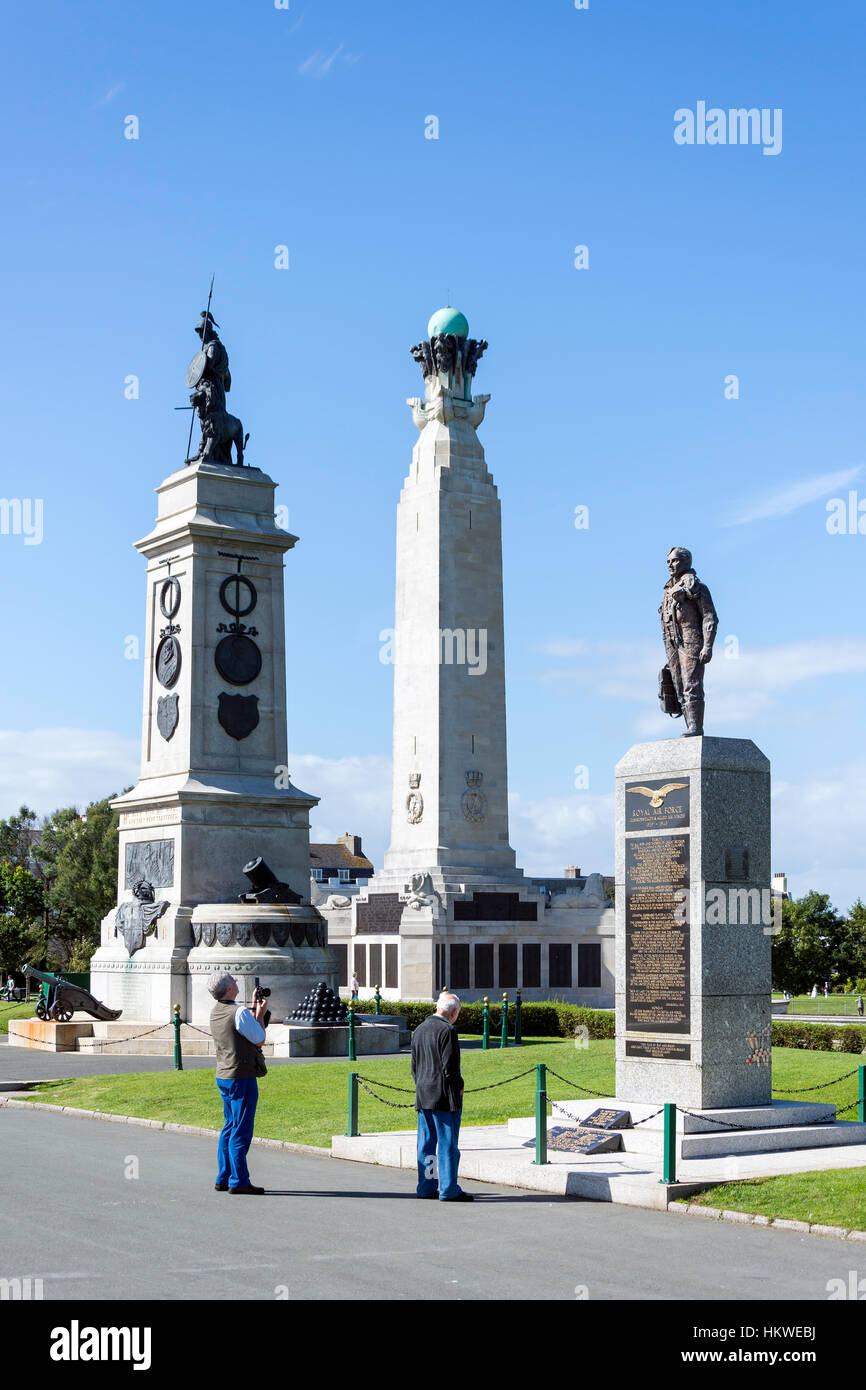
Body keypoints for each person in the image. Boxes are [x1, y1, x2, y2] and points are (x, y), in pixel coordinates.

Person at [208, 971, 269, 1195]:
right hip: (241, 1076)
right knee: (240, 1130)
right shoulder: (239, 1012)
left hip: (223, 1074)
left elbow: (242, 1030)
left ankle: (223, 1176)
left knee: (229, 1126)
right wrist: (260, 1014)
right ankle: (239, 1179)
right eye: (232, 980)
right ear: (229, 989)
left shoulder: (216, 1011)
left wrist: (252, 1007)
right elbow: (259, 1037)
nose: (236, 981)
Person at [411, 992, 472, 1202]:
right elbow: (451, 1067)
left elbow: (414, 1067)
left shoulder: (419, 1029)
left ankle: (426, 1187)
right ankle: (448, 1189)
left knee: (426, 1143)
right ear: (453, 1012)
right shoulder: (447, 1030)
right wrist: (460, 1087)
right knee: (447, 1145)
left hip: (423, 1094)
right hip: (444, 1096)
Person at [659, 547, 718, 737]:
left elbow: (710, 618)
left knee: (691, 684)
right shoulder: (667, 591)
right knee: (678, 686)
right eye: (668, 561)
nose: (670, 564)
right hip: (672, 642)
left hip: (691, 638)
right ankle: (690, 727)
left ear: (686, 562)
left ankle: (695, 728)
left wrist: (707, 645)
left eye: (674, 560)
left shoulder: (697, 588)